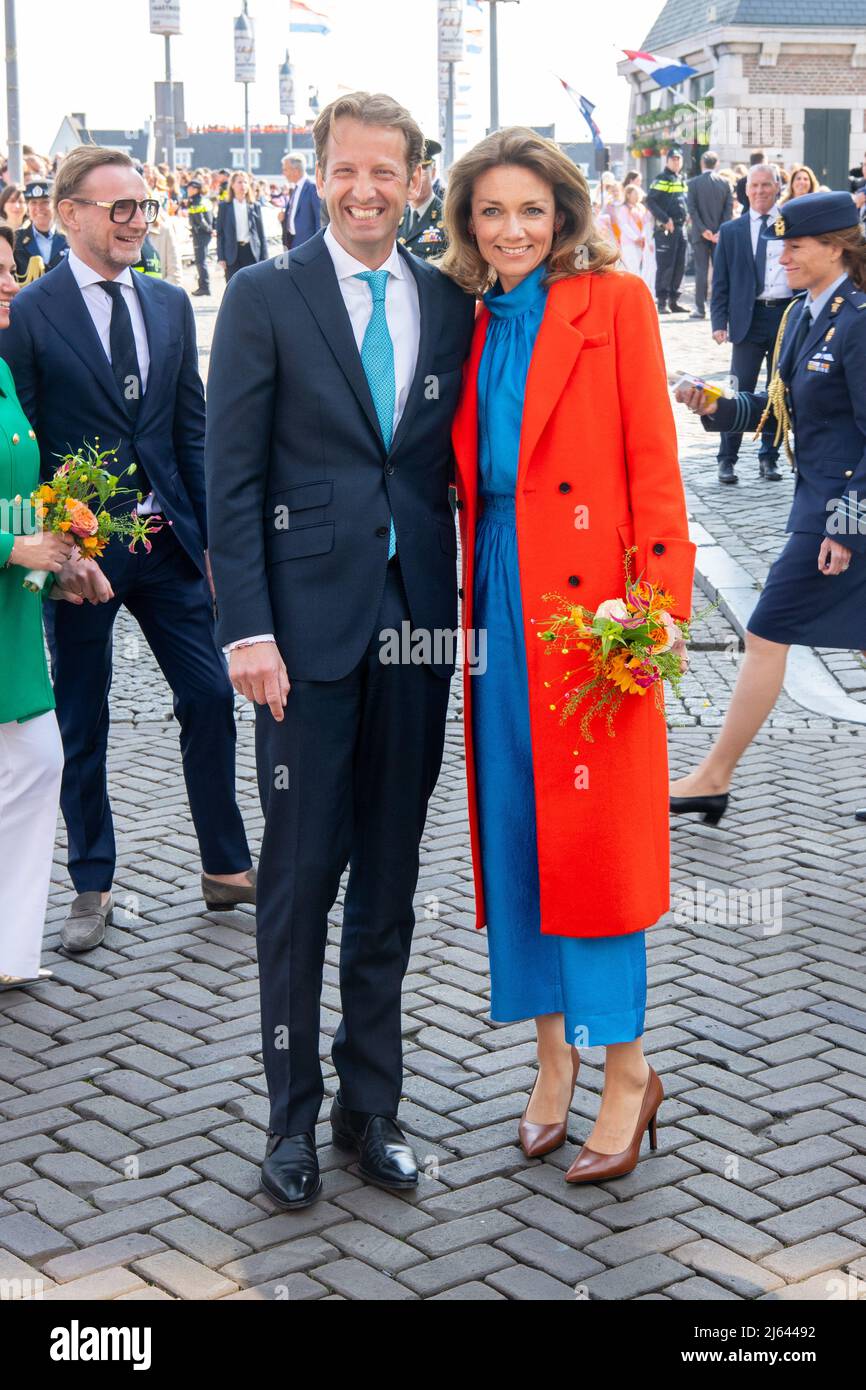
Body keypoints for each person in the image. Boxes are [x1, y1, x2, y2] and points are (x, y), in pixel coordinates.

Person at [205, 91, 475, 1210]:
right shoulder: (264, 297)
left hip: (415, 629)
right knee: (299, 883)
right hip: (299, 643)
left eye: (389, 170)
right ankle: (289, 1118)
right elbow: (232, 478)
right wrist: (246, 631)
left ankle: (374, 1105)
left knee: (391, 881)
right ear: (315, 172)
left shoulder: (452, 304)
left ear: (417, 178)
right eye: (347, 169)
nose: (367, 190)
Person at [442, 127, 696, 1184]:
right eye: (491, 212)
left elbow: (651, 462)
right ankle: (550, 1059)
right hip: (495, 588)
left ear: (564, 215)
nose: (511, 231)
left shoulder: (615, 302)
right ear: (465, 220)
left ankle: (626, 1069)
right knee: (513, 832)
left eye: (530, 211)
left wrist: (654, 615)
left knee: (592, 841)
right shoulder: (460, 315)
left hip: (589, 612)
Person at [3, 145, 255, 953]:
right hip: (83, 559)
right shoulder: (31, 314)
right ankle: (92, 881)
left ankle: (225, 865)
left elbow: (192, 428)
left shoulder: (172, 303)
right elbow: (28, 445)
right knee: (84, 716)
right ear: (70, 214)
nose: (136, 220)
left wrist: (215, 540)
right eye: (118, 208)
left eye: (143, 206)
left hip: (169, 543)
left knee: (211, 698)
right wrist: (63, 551)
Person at [672, 193, 866, 824]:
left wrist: (844, 525)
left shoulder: (859, 320)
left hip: (838, 510)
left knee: (766, 630)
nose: (782, 258)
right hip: (820, 502)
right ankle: (712, 777)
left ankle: (713, 776)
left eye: (795, 246)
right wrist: (716, 406)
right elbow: (777, 409)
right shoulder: (803, 316)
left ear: (836, 247)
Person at [0, 225, 101, 988]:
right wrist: (11, 549)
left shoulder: (3, 368)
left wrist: (61, 555)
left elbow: (19, 492)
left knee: (36, 761)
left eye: (11, 269)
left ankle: (8, 951)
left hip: (12, 618)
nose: (12, 284)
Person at [711, 163, 792, 484]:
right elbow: (721, 282)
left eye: (766, 185)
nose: (760, 191)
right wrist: (719, 322)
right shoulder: (731, 231)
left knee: (779, 389)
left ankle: (769, 458)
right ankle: (727, 459)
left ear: (777, 187)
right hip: (747, 319)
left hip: (786, 317)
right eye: (754, 186)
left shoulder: (792, 224)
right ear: (745, 191)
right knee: (737, 389)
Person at [687, 150, 733, 320]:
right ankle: (719, 309)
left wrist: (702, 230)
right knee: (720, 272)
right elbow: (728, 211)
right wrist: (720, 230)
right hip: (719, 235)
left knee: (701, 271)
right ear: (717, 164)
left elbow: (692, 210)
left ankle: (700, 309)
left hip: (701, 235)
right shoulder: (725, 183)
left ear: (702, 163)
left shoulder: (693, 183)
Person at [646, 146, 688, 314]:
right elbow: (650, 201)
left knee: (679, 265)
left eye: (679, 159)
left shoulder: (680, 179)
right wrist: (665, 219)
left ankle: (674, 301)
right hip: (666, 229)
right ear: (667, 161)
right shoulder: (661, 178)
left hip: (681, 228)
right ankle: (662, 302)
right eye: (673, 159)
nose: (676, 162)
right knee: (666, 266)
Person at [397, 137, 447, 262]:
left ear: (433, 173)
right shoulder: (396, 216)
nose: (415, 180)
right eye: (411, 174)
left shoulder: (448, 218)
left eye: (423, 173)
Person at [13, 181, 68, 281]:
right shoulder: (16, 240)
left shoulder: (70, 237)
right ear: (28, 208)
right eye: (33, 203)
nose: (39, 208)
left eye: (45, 202)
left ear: (55, 206)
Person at [217, 172, 267, 280]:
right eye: (239, 182)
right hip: (232, 253)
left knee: (252, 286)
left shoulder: (254, 206)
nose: (243, 185)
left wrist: (264, 257)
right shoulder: (224, 206)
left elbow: (261, 233)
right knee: (233, 287)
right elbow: (220, 233)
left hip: (251, 252)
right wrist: (221, 257)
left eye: (245, 182)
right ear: (232, 185)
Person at [278, 156, 321, 252]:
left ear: (295, 170)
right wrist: (284, 218)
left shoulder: (312, 188)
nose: (283, 173)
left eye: (285, 170)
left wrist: (318, 247)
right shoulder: (296, 188)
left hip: (308, 246)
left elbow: (320, 220)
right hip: (293, 243)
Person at [185, 177, 214, 296]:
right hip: (204, 234)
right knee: (202, 260)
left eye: (190, 188)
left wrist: (209, 230)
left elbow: (200, 220)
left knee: (200, 261)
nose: (188, 189)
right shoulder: (204, 200)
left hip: (200, 234)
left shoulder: (195, 202)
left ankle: (204, 287)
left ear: (196, 189)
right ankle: (204, 286)